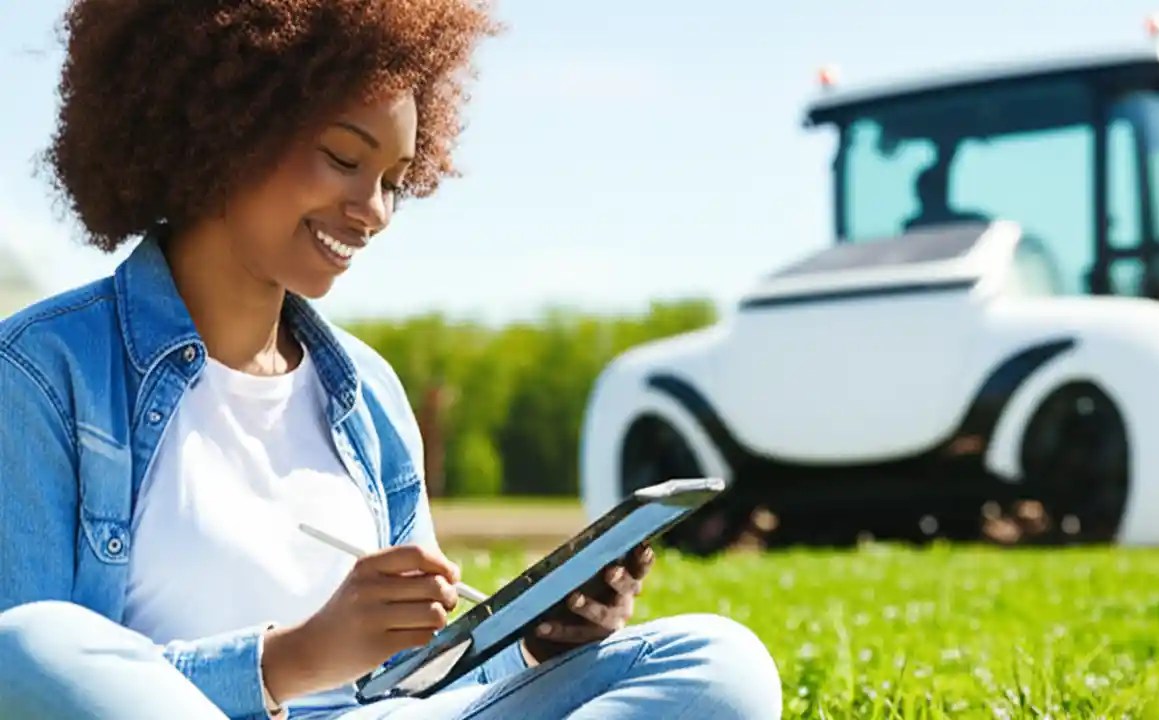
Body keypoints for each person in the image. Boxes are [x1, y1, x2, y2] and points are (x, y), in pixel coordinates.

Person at [0, 2, 782, 719]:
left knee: (719, 662)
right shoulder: (43, 370)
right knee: (24, 643)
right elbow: (41, 685)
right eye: (344, 157)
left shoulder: (366, 392)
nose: (373, 211)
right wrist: (291, 659)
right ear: (223, 127)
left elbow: (424, 681)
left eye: (395, 184)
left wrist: (536, 644)